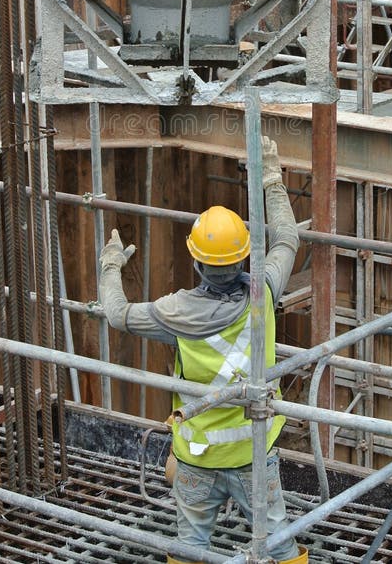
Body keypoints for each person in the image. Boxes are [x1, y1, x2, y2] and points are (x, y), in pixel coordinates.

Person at [96, 136, 307, 564]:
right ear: (245, 257)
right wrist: (270, 177)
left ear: (196, 262)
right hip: (254, 452)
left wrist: (111, 264)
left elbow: (116, 314)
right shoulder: (263, 291)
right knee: (280, 542)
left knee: (190, 546)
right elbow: (287, 238)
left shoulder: (174, 312)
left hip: (196, 455)